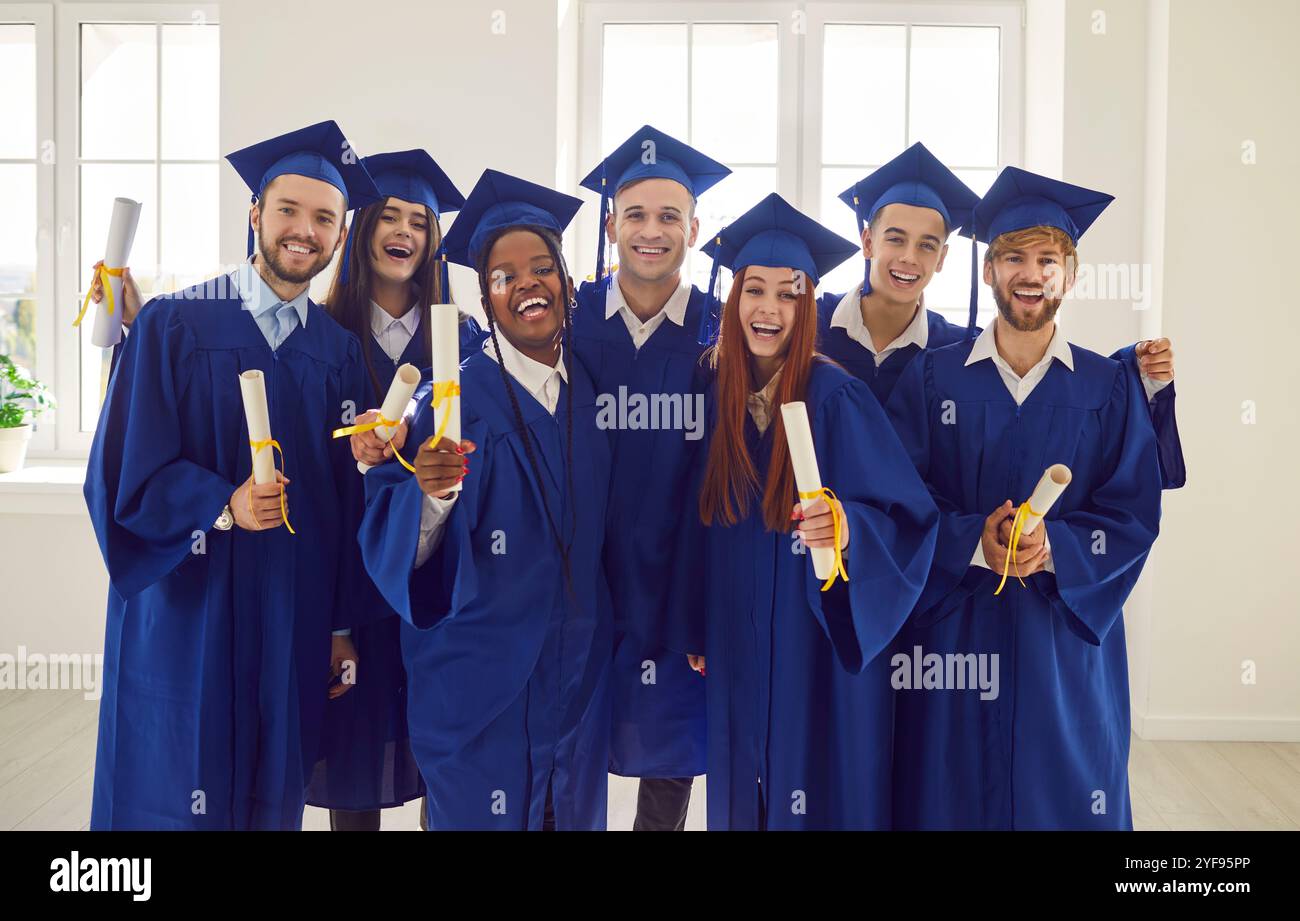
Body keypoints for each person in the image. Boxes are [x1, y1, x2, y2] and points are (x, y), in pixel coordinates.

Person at [84, 120, 380, 829]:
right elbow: (122, 472)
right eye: (288, 210)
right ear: (255, 215)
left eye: (323, 218)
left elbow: (343, 506)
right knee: (177, 779)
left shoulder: (338, 354)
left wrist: (341, 625)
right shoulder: (173, 325)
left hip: (293, 609)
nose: (303, 230)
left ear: (340, 237)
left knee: (270, 788)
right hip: (191, 605)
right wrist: (224, 503)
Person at [886, 167, 1164, 829]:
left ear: (1071, 274)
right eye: (1014, 256)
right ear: (989, 270)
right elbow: (898, 499)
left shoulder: (1108, 386)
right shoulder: (932, 377)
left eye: (1048, 259)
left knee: (1065, 788)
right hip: (956, 628)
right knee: (948, 790)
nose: (1030, 274)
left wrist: (1057, 548)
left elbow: (1132, 510)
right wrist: (969, 541)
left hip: (1059, 636)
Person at [670, 193, 939, 830]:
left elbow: (909, 518)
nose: (768, 308)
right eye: (753, 290)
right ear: (732, 300)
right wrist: (696, 622)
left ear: (808, 306)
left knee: (817, 780)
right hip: (735, 627)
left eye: (788, 294)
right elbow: (690, 517)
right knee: (742, 781)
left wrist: (849, 528)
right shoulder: (711, 387)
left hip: (814, 630)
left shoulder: (837, 397)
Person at [358, 170, 614, 830]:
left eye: (541, 268)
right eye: (503, 276)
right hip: (479, 694)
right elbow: (394, 542)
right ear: (486, 297)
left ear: (565, 281)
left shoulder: (587, 390)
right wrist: (432, 494)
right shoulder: (449, 403)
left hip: (575, 688)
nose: (527, 283)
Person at [822, 143, 1185, 487]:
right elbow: (911, 492)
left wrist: (1133, 373)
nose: (909, 258)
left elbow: (1071, 392)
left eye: (927, 245)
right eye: (896, 239)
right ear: (868, 242)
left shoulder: (951, 347)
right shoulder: (813, 327)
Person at [308, 149, 485, 831]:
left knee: (443, 770)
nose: (404, 230)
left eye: (420, 219)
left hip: (436, 590)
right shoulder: (323, 340)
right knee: (356, 776)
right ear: (361, 230)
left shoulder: (466, 342)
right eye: (388, 215)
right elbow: (316, 495)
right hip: (351, 588)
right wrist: (333, 622)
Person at [572, 125, 729, 830]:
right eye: (635, 214)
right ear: (610, 226)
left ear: (695, 228)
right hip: (581, 572)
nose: (651, 230)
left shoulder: (721, 328)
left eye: (670, 216)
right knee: (570, 742)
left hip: (681, 570)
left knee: (672, 743)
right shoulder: (566, 320)